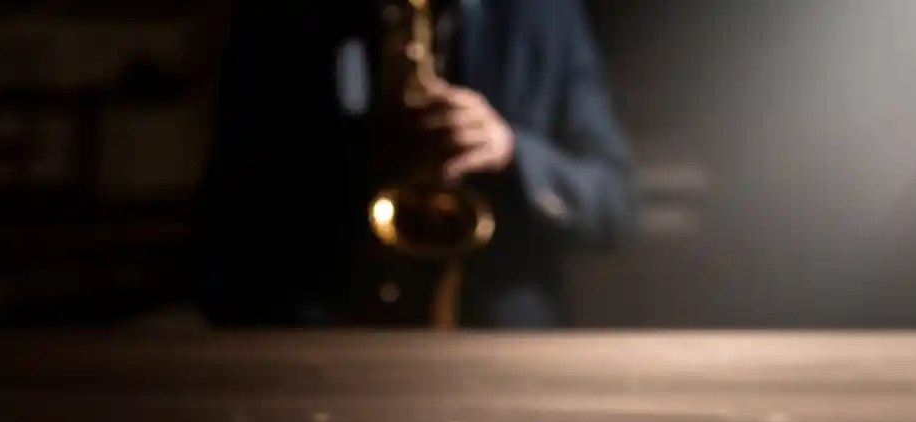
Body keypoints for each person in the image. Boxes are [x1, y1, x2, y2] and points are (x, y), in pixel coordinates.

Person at [191, 0, 631, 327]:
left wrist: (512, 152)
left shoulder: (545, 15)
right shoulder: (281, 16)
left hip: (504, 343)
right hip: (331, 335)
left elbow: (615, 204)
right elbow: (225, 222)